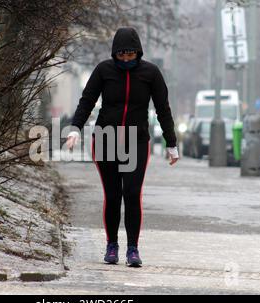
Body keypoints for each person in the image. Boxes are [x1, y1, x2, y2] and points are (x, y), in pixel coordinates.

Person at [66, 27, 179, 267]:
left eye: (130, 55)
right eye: (121, 55)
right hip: (106, 138)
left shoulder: (151, 73)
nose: (126, 59)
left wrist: (172, 143)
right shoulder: (103, 70)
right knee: (113, 195)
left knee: (131, 193)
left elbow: (163, 108)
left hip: (136, 141)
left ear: (138, 52)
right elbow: (87, 100)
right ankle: (111, 245)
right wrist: (75, 128)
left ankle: (133, 249)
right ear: (114, 53)